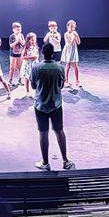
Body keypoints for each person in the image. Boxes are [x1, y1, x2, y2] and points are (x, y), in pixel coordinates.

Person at [29, 43, 74, 171]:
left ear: (42, 53)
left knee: (43, 132)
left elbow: (33, 86)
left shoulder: (36, 67)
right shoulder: (60, 67)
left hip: (40, 105)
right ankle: (65, 161)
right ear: (53, 53)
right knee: (59, 131)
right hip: (56, 104)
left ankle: (45, 163)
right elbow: (61, 85)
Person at [62, 19, 82, 88]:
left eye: (73, 27)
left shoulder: (75, 33)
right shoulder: (66, 34)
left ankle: (77, 81)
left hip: (74, 50)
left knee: (76, 66)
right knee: (68, 65)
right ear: (67, 26)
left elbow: (78, 42)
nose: (72, 28)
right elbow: (70, 43)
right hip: (68, 51)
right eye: (71, 27)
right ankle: (66, 81)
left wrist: (77, 36)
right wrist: (74, 36)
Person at [7, 22, 26, 86]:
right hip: (13, 55)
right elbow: (11, 45)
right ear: (13, 30)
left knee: (20, 67)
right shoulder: (12, 36)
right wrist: (16, 41)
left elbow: (24, 43)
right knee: (12, 68)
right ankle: (10, 81)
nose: (18, 30)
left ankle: (20, 80)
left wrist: (20, 40)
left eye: (19, 29)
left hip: (20, 54)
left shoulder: (21, 35)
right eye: (17, 29)